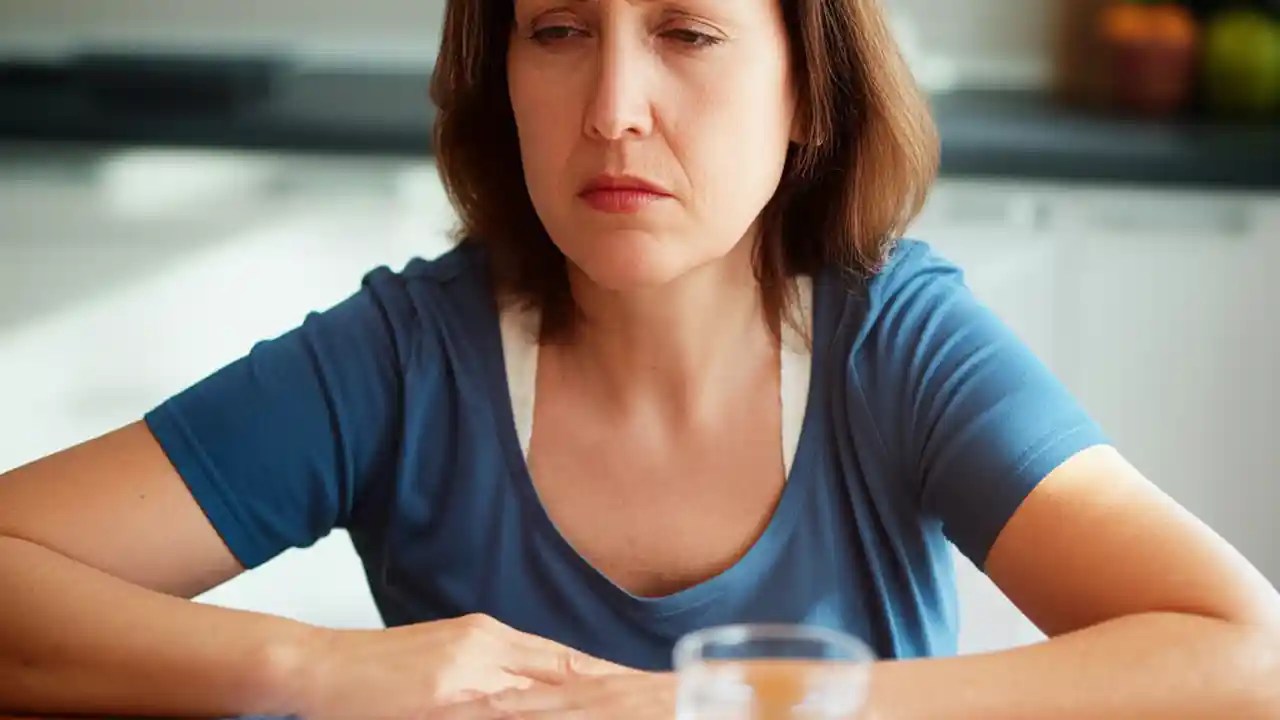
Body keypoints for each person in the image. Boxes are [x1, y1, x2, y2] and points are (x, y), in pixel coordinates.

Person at [2, 0, 1279, 718]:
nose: (611, 106)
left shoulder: (895, 343)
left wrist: (753, 710)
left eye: (684, 31)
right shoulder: (400, 361)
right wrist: (310, 671)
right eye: (558, 28)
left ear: (807, 92)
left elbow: (1243, 656)